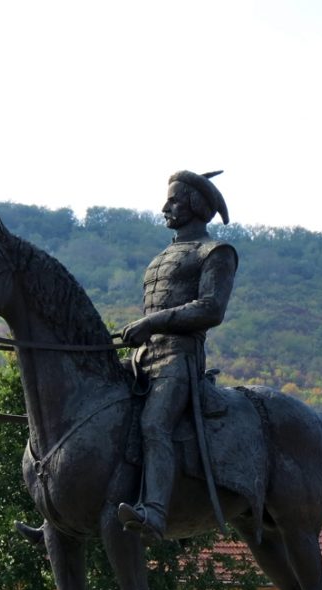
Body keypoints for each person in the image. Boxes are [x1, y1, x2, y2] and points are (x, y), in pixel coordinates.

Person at [116, 170, 237, 541]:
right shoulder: (163, 256)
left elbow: (211, 308)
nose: (165, 208)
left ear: (196, 205)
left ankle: (154, 513)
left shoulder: (215, 252)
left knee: (155, 424)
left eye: (174, 201)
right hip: (144, 356)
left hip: (179, 359)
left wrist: (152, 322)